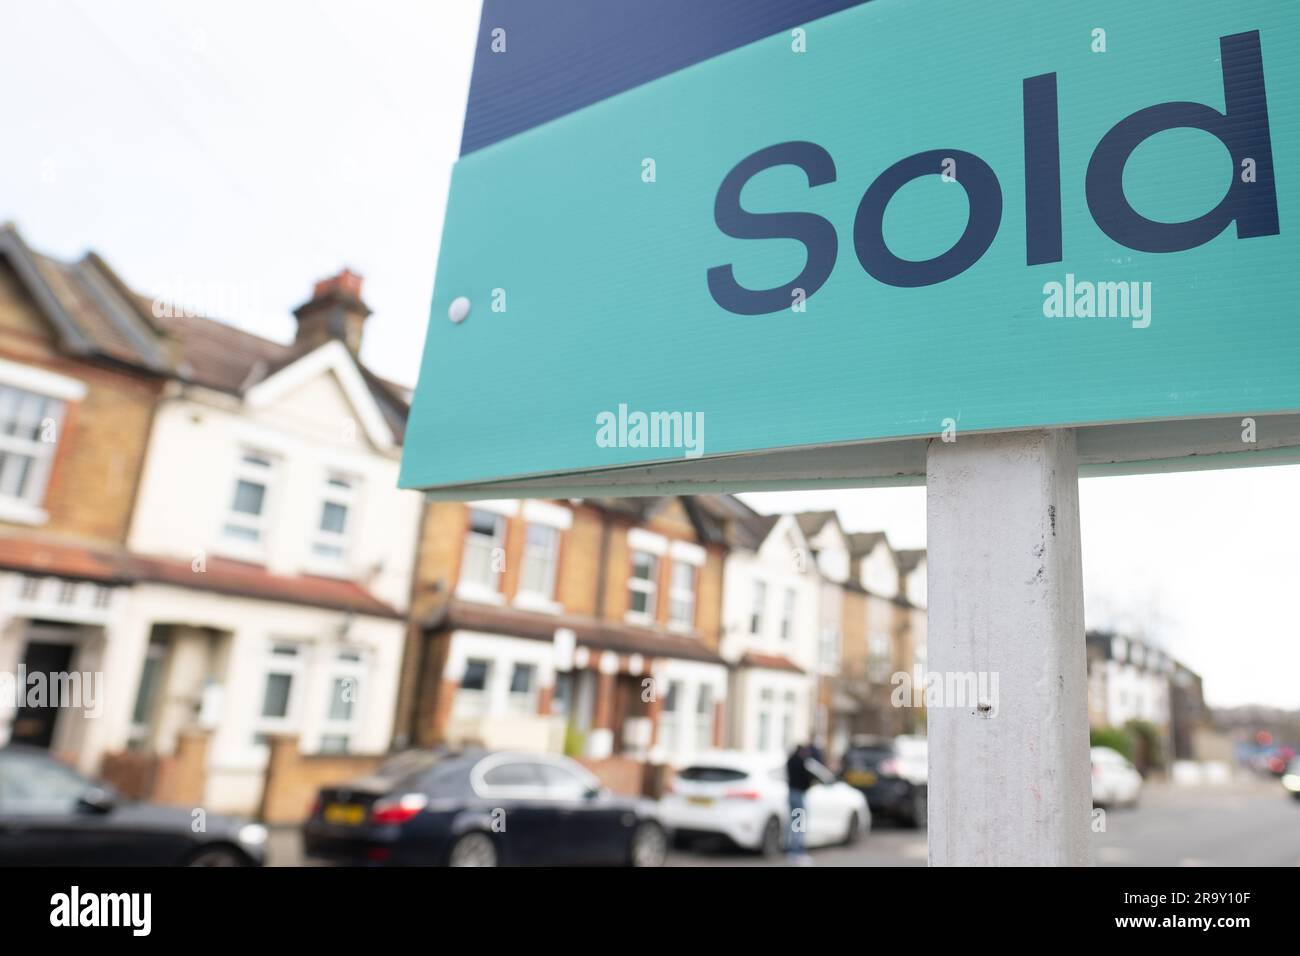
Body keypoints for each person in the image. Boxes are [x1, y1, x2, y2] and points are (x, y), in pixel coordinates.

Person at [785, 743, 819, 865]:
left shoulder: (790, 761)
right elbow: (806, 779)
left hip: (791, 794)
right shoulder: (801, 762)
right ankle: (796, 852)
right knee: (798, 826)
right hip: (798, 795)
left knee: (793, 824)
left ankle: (792, 851)